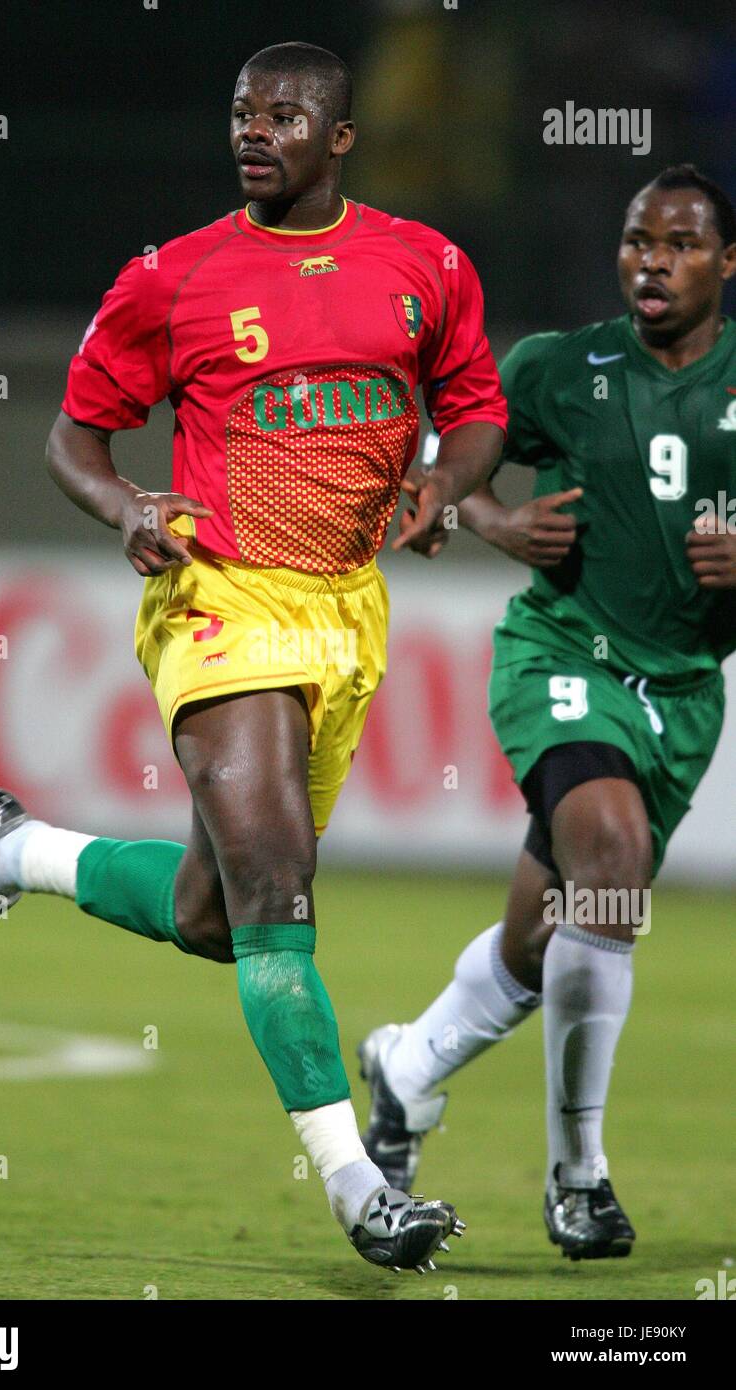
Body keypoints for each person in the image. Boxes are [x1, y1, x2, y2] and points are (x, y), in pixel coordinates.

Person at [0, 42, 507, 1272]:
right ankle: (363, 1192)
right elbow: (72, 437)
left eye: (286, 115)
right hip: (218, 595)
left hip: (345, 611)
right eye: (242, 114)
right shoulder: (173, 277)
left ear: (340, 138)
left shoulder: (425, 265)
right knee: (274, 885)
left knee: (213, 916)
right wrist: (125, 510)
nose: (256, 131)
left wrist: (446, 485)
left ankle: (17, 849)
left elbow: (476, 408)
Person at [360, 164, 736, 1260]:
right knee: (608, 862)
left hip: (680, 694)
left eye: (676, 244)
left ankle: (408, 1064)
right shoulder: (559, 369)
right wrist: (493, 522)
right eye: (633, 240)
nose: (648, 261)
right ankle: (577, 1175)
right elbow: (441, 464)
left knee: (544, 935)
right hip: (560, 656)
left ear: (725, 263)